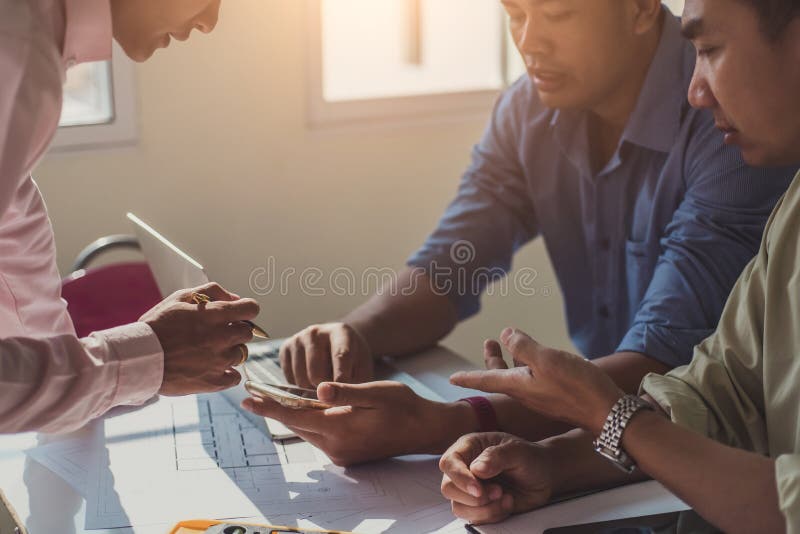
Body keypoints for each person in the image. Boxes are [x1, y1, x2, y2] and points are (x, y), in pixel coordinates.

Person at [243, 0, 796, 466]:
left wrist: (445, 423)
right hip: (601, 440)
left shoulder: (735, 119)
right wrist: (357, 334)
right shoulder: (529, 108)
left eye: (557, 14)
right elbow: (452, 263)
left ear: (640, 9)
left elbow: (664, 360)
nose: (529, 42)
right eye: (514, 14)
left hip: (706, 455)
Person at [438, 0, 800, 531]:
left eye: (710, 49)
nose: (696, 92)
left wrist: (609, 414)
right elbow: (715, 396)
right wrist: (550, 463)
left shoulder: (737, 156)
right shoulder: (794, 210)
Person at [0, 0, 260, 434]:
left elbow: (18, 264)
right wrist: (148, 357)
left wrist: (132, 366)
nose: (210, 21)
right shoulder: (17, 48)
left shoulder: (34, 41)